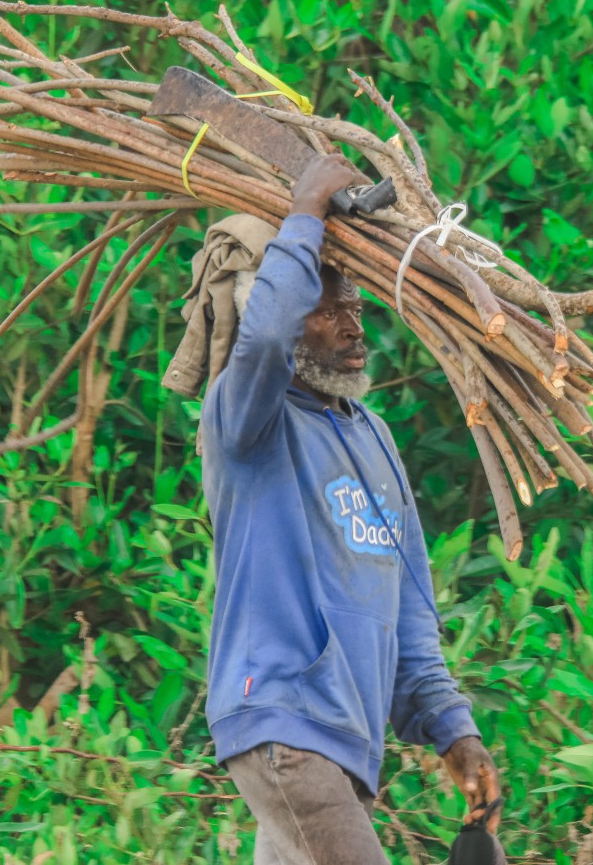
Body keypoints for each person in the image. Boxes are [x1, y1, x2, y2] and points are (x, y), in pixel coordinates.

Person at [199, 155, 503, 863]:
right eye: (326, 309)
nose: (351, 325)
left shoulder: (374, 438)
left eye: (356, 308)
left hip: (346, 745)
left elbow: (411, 617)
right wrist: (305, 208)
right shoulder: (247, 420)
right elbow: (265, 336)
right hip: (286, 724)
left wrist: (454, 731)